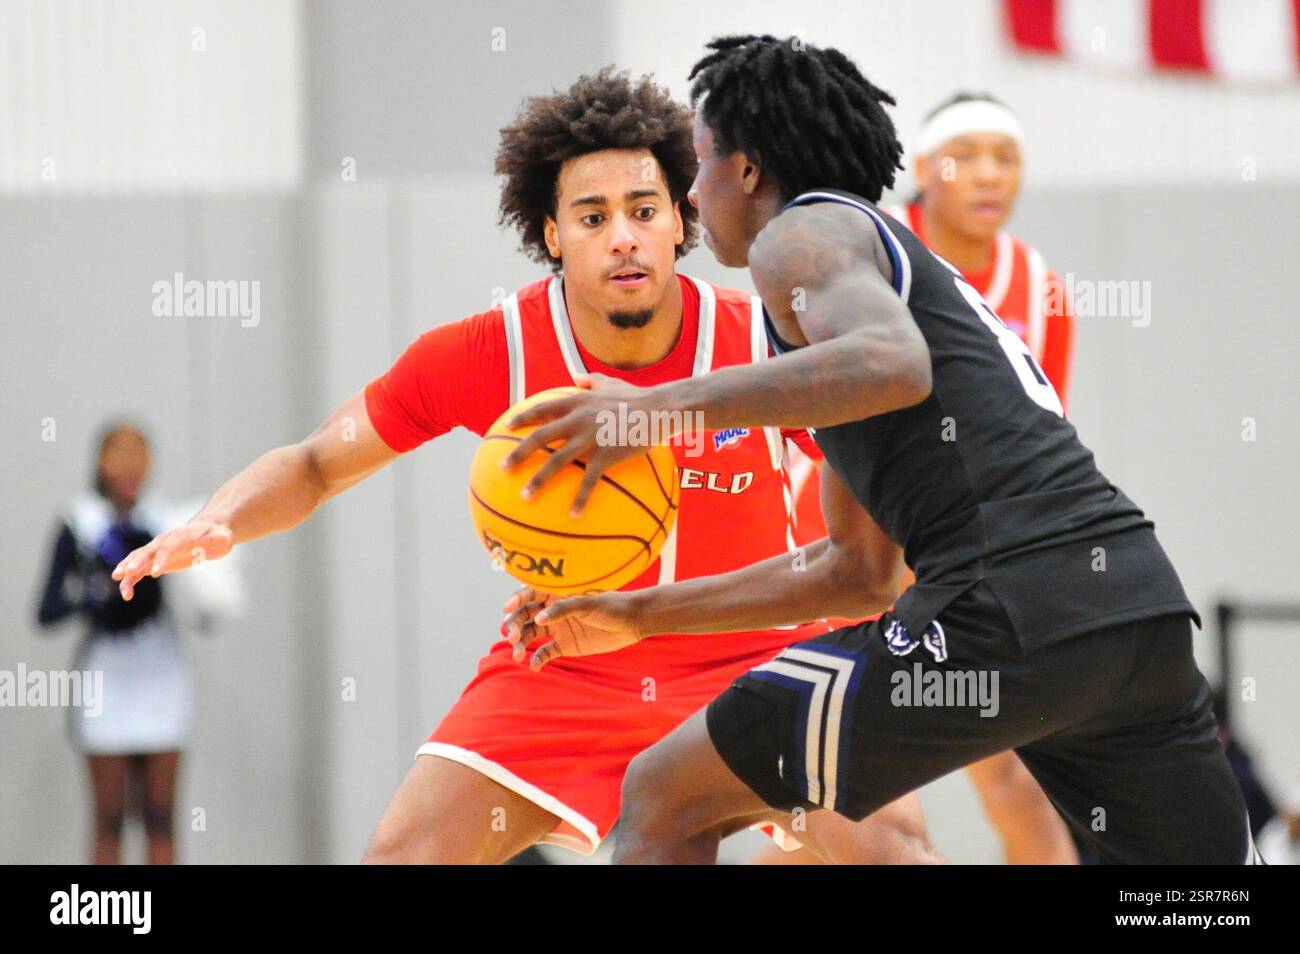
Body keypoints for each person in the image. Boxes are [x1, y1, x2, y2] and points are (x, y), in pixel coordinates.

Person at [111, 70, 938, 864]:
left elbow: (878, 516)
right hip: (568, 664)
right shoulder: (488, 351)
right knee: (401, 855)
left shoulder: (764, 341)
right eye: (591, 216)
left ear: (679, 222)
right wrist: (218, 518)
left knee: (895, 847)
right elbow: (318, 463)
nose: (623, 235)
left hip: (759, 649)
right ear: (549, 234)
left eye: (645, 209)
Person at [498, 35, 1258, 865]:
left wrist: (650, 410)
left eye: (703, 159)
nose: (690, 187)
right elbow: (857, 572)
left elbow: (891, 364)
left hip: (1009, 606)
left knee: (662, 794)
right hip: (1135, 612)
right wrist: (636, 614)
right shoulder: (863, 274)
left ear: (749, 170)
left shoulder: (803, 234)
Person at [777, 90, 1079, 864]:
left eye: (1005, 158)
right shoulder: (867, 253)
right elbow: (820, 426)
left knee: (1015, 769)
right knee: (838, 798)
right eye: (964, 155)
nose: (987, 175)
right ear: (921, 166)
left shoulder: (1039, 287)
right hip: (852, 544)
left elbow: (1037, 438)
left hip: (964, 555)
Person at [36, 422, 190, 864]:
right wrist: (90, 594)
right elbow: (45, 610)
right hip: (107, 681)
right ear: (101, 462)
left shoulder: (170, 522)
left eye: (138, 452)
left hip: (162, 676)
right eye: (118, 453)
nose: (129, 463)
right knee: (109, 817)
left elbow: (203, 608)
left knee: (161, 817)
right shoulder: (79, 521)